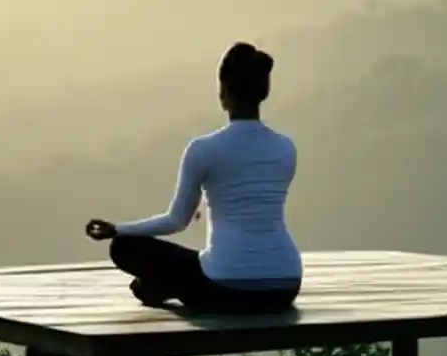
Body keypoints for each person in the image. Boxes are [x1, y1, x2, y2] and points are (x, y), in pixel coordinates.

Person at [85, 42, 302, 313]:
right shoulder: (286, 149)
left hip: (225, 288)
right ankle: (161, 286)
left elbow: (176, 221)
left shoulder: (203, 150)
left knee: (125, 247)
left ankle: (160, 286)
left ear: (223, 91)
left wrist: (117, 230)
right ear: (264, 92)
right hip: (285, 286)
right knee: (190, 268)